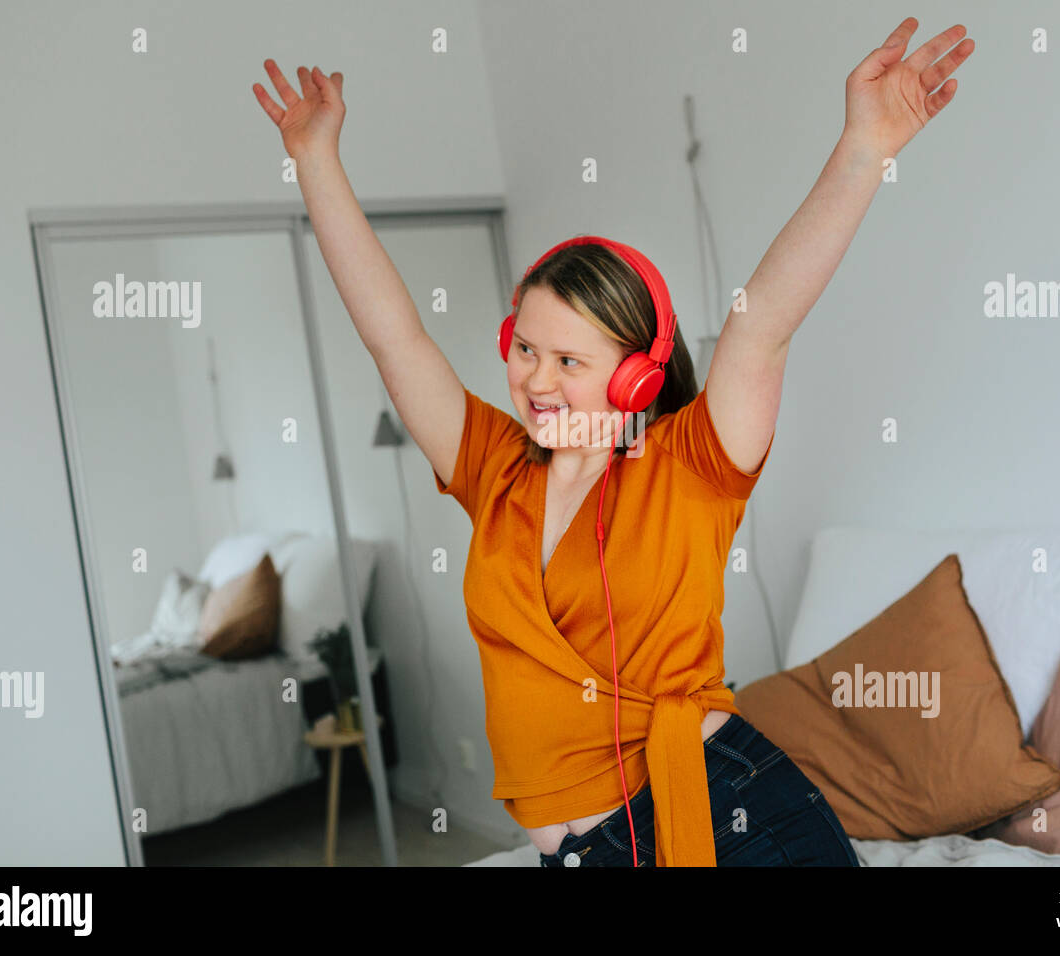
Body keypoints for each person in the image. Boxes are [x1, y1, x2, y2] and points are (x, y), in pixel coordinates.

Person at [251, 15, 972, 867]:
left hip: (724, 811)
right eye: (524, 348)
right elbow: (395, 337)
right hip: (592, 853)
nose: (536, 379)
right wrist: (318, 165)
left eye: (569, 359)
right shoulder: (495, 469)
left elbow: (765, 324)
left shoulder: (691, 464)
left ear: (637, 373)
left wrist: (865, 146)